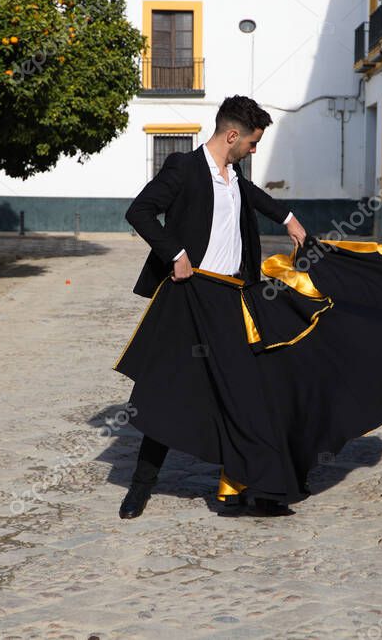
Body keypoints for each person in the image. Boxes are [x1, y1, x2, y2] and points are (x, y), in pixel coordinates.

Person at [119, 95, 306, 519]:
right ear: (233, 135)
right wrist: (174, 253)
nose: (254, 150)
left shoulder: (234, 175)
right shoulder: (183, 169)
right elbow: (140, 211)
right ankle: (140, 487)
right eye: (253, 143)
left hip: (234, 297)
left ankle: (245, 487)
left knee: (245, 392)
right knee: (167, 393)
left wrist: (289, 218)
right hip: (192, 297)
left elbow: (255, 197)